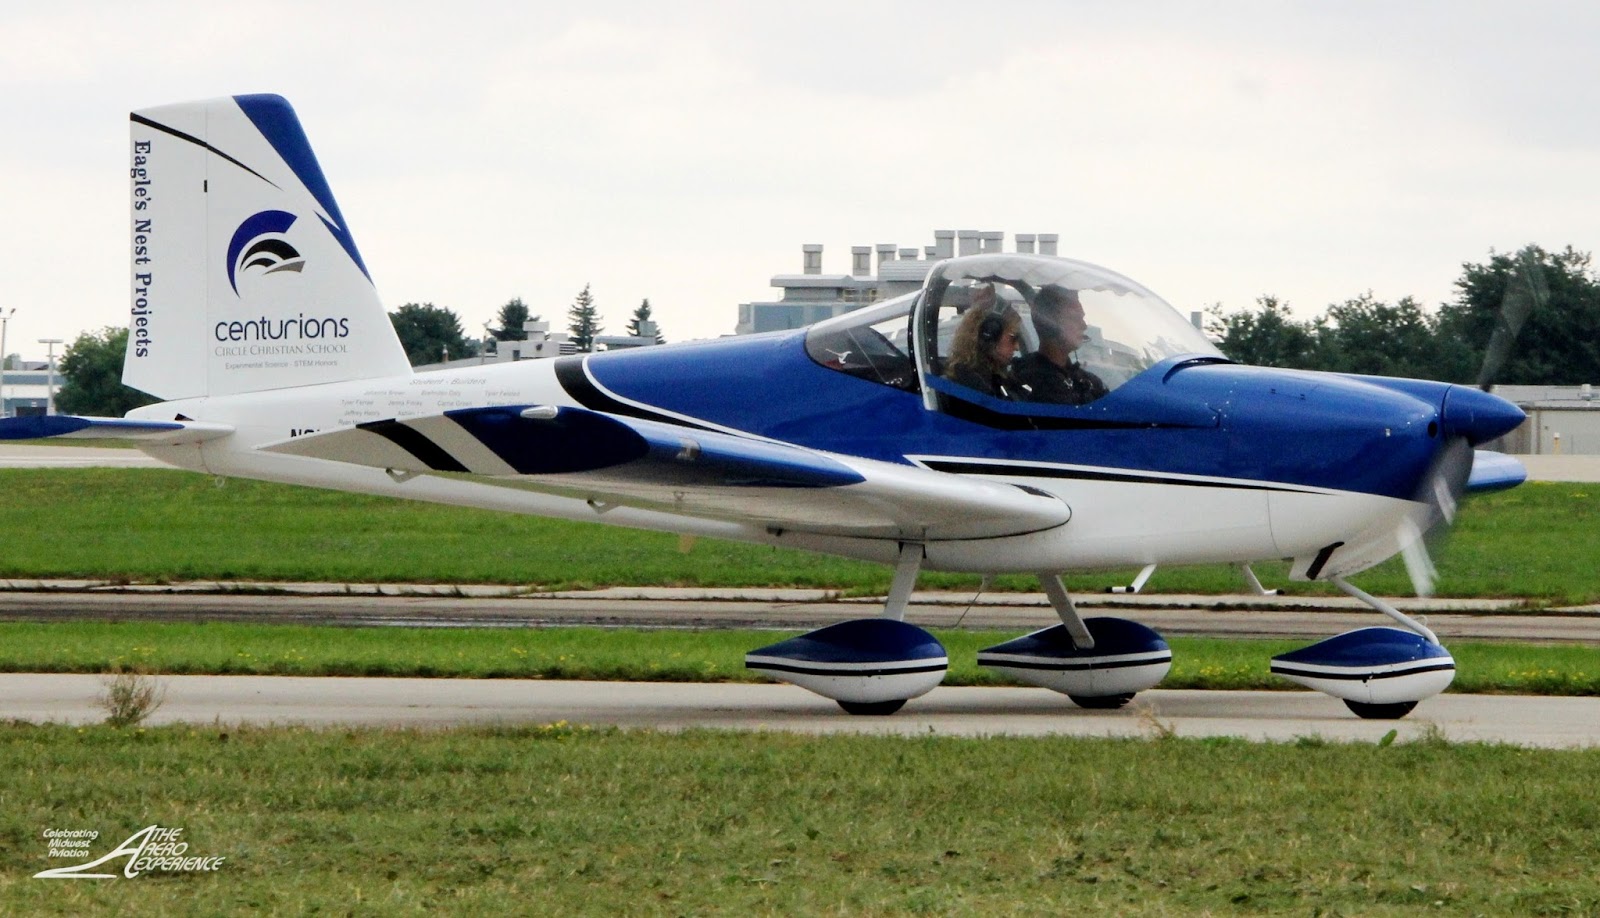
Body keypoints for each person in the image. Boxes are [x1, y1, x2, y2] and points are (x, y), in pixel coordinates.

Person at [1013, 285, 1108, 405]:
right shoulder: (1030, 381)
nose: (1084, 326)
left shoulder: (1088, 382)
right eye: (1075, 318)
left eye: (1082, 318)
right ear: (1050, 325)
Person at [943, 290, 1022, 399]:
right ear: (989, 335)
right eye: (1013, 338)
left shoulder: (994, 378)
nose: (1017, 347)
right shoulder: (971, 386)